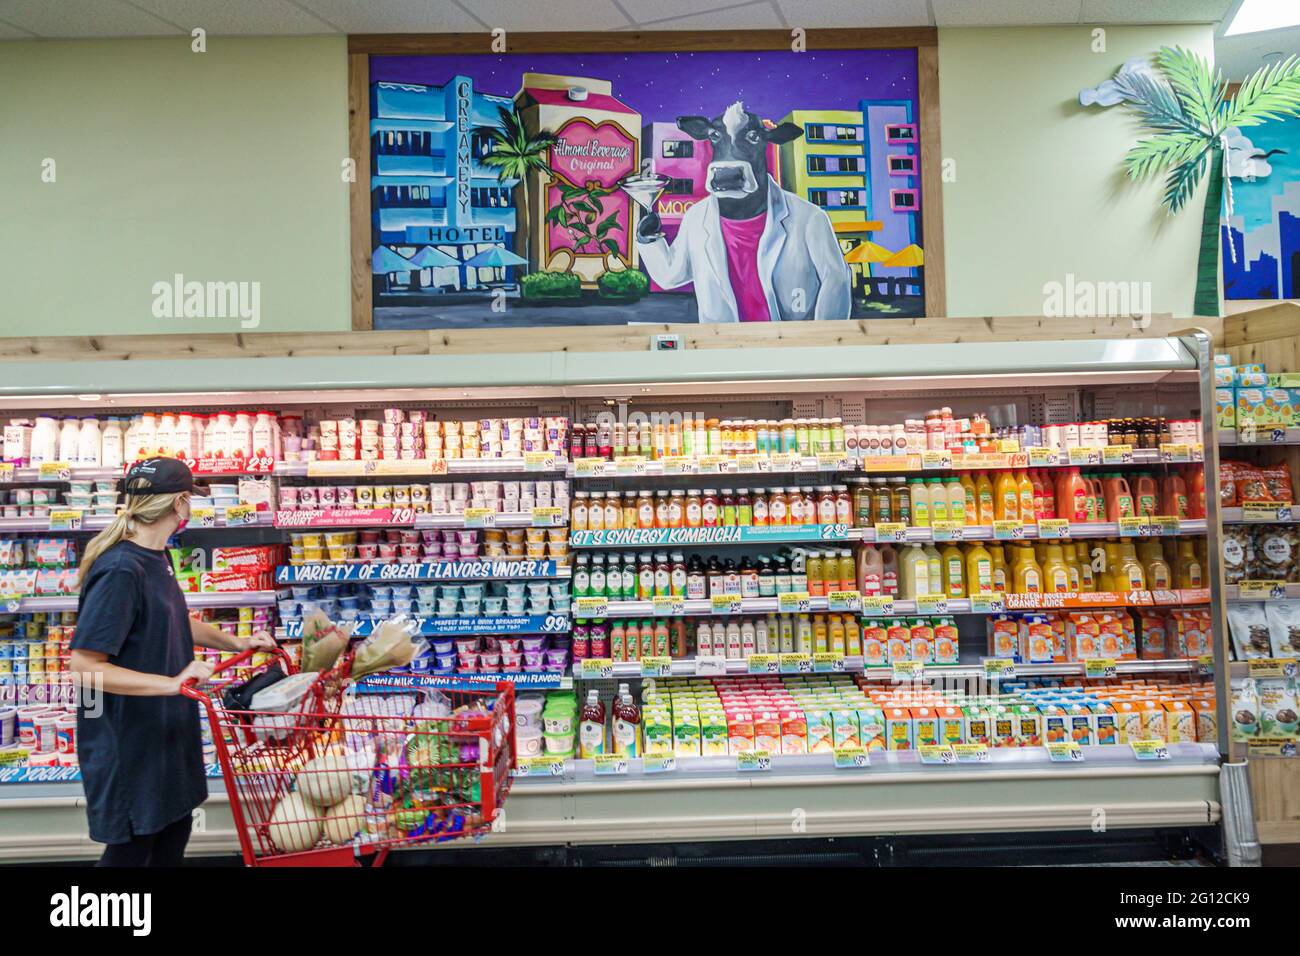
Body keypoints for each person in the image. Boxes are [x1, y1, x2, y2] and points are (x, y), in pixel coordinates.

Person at [69, 458, 275, 867]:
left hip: (162, 730)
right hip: (128, 738)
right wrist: (173, 682)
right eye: (191, 500)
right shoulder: (122, 569)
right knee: (132, 851)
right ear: (180, 503)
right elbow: (85, 666)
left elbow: (171, 617)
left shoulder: (153, 557)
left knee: (173, 830)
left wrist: (237, 640)